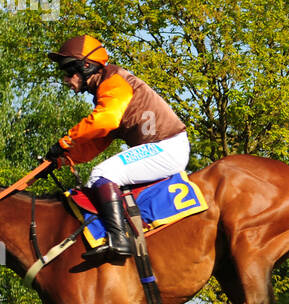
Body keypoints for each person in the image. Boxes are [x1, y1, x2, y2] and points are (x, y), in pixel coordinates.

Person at [45, 35, 190, 259]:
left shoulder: (114, 82)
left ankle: (119, 238)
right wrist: (62, 159)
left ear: (86, 66)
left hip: (166, 146)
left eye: (68, 72)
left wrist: (66, 140)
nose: (65, 80)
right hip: (162, 146)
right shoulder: (107, 92)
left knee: (102, 173)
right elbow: (98, 140)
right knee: (102, 173)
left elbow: (105, 120)